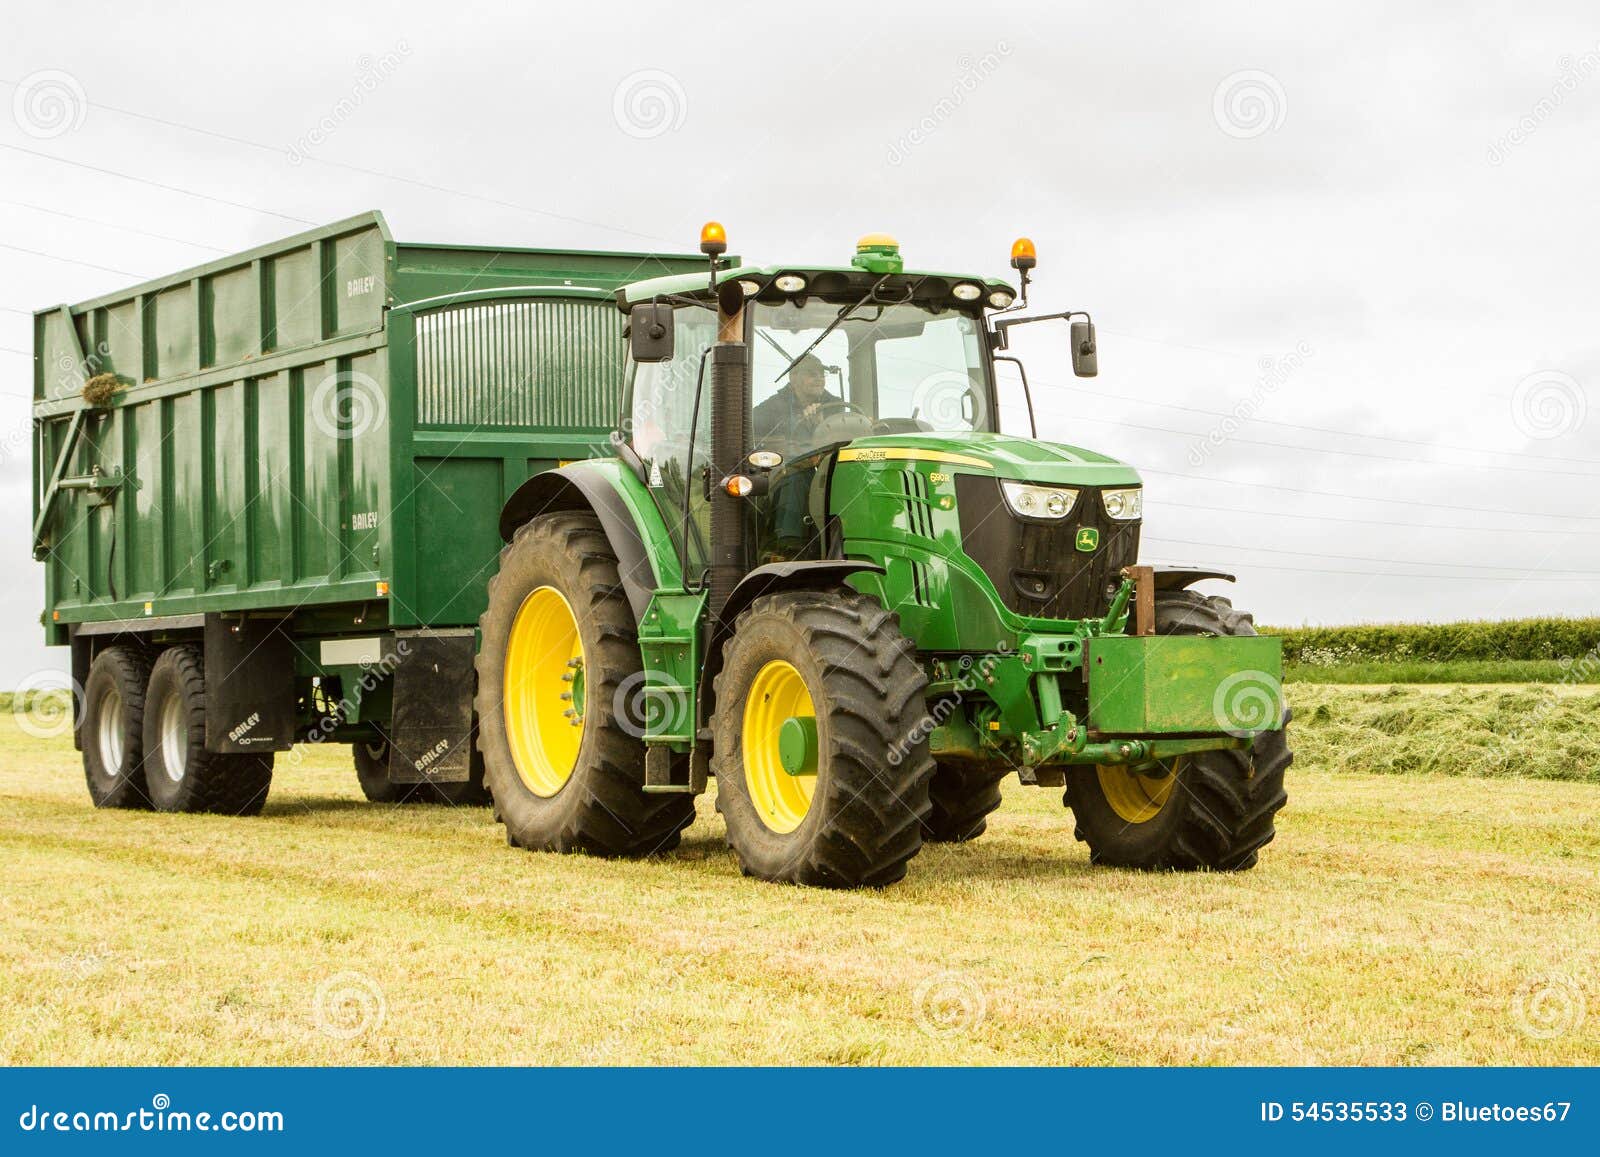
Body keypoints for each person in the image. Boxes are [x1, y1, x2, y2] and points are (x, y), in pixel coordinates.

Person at [751, 354, 841, 450]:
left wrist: (822, 426)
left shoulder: (835, 406)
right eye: (812, 374)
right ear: (793, 378)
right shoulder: (771, 408)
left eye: (822, 375)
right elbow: (748, 434)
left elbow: (842, 443)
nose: (819, 379)